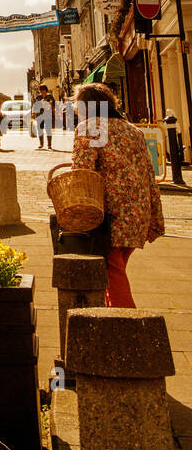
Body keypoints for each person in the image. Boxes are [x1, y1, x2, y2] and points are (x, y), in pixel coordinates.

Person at [70, 83, 164, 308]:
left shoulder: (90, 127)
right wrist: (154, 216)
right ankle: (110, 317)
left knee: (113, 272)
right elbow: (149, 174)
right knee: (114, 270)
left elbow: (82, 174)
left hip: (111, 217)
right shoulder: (133, 130)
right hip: (138, 215)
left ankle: (128, 327)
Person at [33, 83, 54, 150]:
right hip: (40, 116)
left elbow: (53, 105)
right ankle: (41, 144)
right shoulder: (38, 97)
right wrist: (34, 113)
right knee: (40, 130)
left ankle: (49, 145)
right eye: (41, 90)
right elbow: (35, 106)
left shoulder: (50, 96)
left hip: (48, 115)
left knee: (48, 130)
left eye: (43, 90)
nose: (42, 91)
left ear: (46, 90)